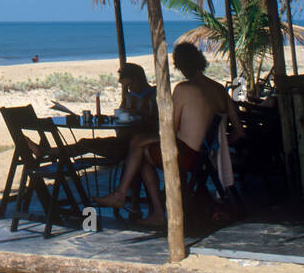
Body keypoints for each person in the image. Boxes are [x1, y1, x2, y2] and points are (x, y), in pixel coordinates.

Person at [96, 42, 242, 226]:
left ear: (179, 66)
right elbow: (239, 132)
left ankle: (141, 204)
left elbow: (169, 130)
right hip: (205, 156)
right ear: (200, 62)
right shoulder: (219, 89)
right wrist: (216, 148)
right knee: (139, 142)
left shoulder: (184, 89)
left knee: (138, 149)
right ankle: (124, 195)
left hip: (186, 155)